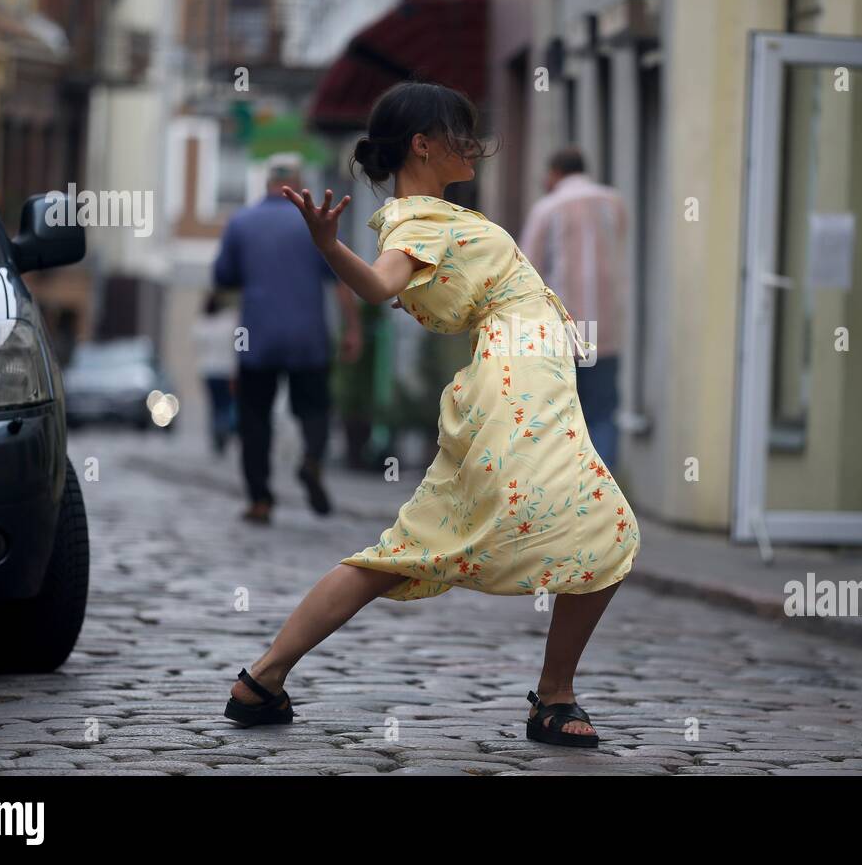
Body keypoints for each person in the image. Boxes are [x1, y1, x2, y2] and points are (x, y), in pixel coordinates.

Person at [223, 82, 640, 747]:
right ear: (422, 143)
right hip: (517, 380)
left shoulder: (435, 214)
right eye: (460, 132)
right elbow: (383, 281)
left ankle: (262, 680)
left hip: (521, 374)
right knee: (607, 525)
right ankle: (554, 697)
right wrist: (330, 249)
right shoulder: (417, 221)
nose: (474, 145)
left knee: (407, 551)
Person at [213, 156, 362, 525]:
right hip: (307, 338)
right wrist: (353, 329)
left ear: (266, 184)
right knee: (314, 409)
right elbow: (343, 278)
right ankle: (311, 460)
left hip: (256, 339)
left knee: (254, 418)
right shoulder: (315, 225)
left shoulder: (241, 223)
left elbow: (224, 276)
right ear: (297, 185)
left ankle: (260, 499)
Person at [519, 147, 629, 471]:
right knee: (603, 412)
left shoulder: (547, 208)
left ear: (554, 173)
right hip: (605, 330)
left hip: (562, 331)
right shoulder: (614, 203)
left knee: (558, 414)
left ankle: (566, 496)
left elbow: (526, 269)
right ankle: (605, 496)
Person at [191, 291, 239, 455]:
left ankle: (217, 435)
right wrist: (244, 355)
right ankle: (222, 434)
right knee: (226, 405)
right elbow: (242, 338)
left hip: (208, 370)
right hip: (227, 370)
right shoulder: (231, 320)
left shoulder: (201, 324)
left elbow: (197, 346)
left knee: (214, 405)